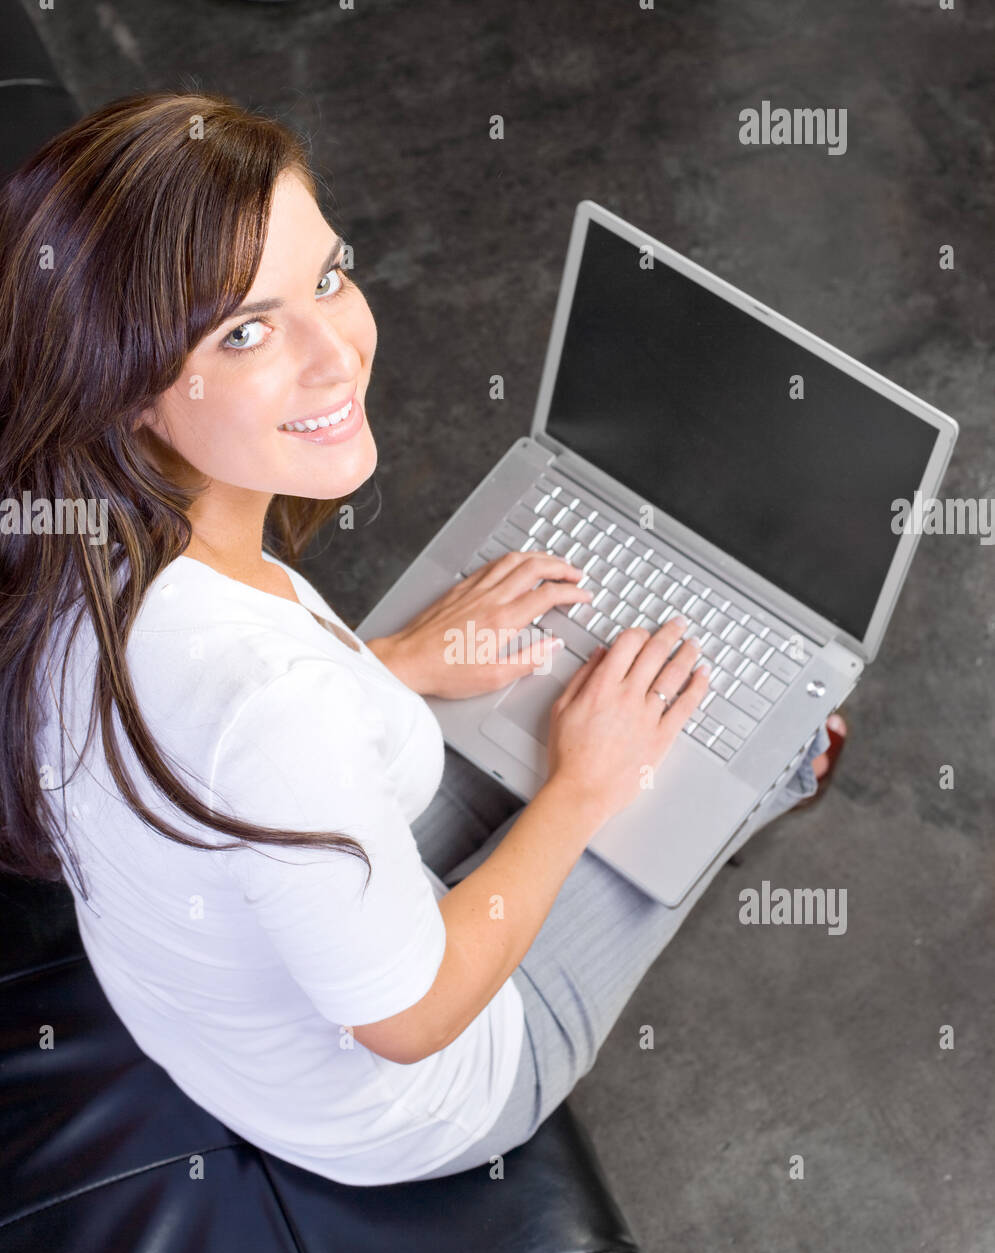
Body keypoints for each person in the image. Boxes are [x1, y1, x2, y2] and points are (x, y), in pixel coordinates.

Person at [0, 91, 845, 1188]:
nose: (335, 352)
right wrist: (584, 789)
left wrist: (387, 663)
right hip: (406, 1099)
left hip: (209, 1013)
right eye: (244, 330)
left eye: (327, 278)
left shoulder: (73, 545)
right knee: (724, 751)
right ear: (123, 384)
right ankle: (775, 771)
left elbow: (249, 746)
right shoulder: (268, 706)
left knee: (552, 709)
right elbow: (411, 1019)